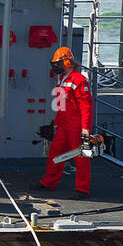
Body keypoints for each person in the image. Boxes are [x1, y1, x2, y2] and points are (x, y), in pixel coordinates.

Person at [35, 46, 94, 198]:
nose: (56, 67)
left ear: (67, 63)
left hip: (76, 126)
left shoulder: (79, 81)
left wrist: (85, 129)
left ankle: (83, 189)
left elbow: (86, 106)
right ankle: (49, 182)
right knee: (55, 152)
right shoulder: (61, 79)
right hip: (63, 125)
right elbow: (60, 104)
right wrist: (56, 122)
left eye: (58, 63)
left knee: (81, 157)